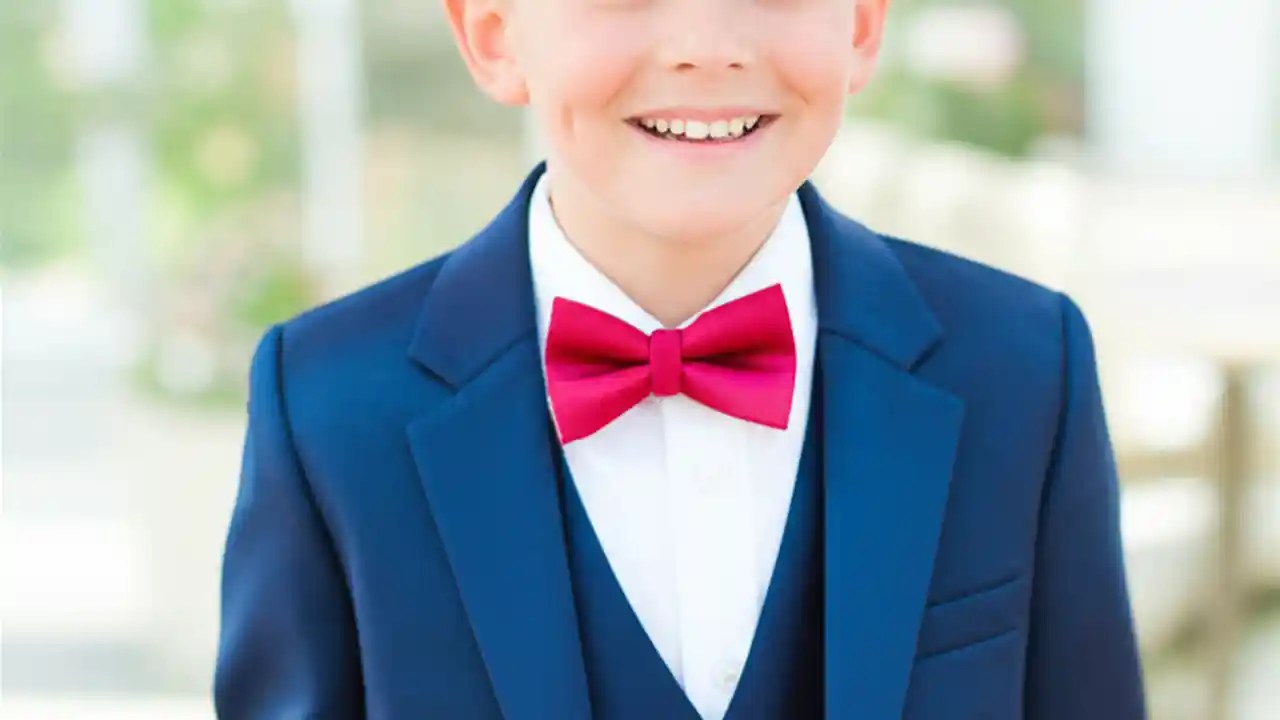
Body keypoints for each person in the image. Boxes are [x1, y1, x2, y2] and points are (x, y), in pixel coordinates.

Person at [213, 1, 1147, 718]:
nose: (706, 43)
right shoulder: (329, 410)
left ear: (862, 24)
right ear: (495, 33)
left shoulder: (1024, 371)